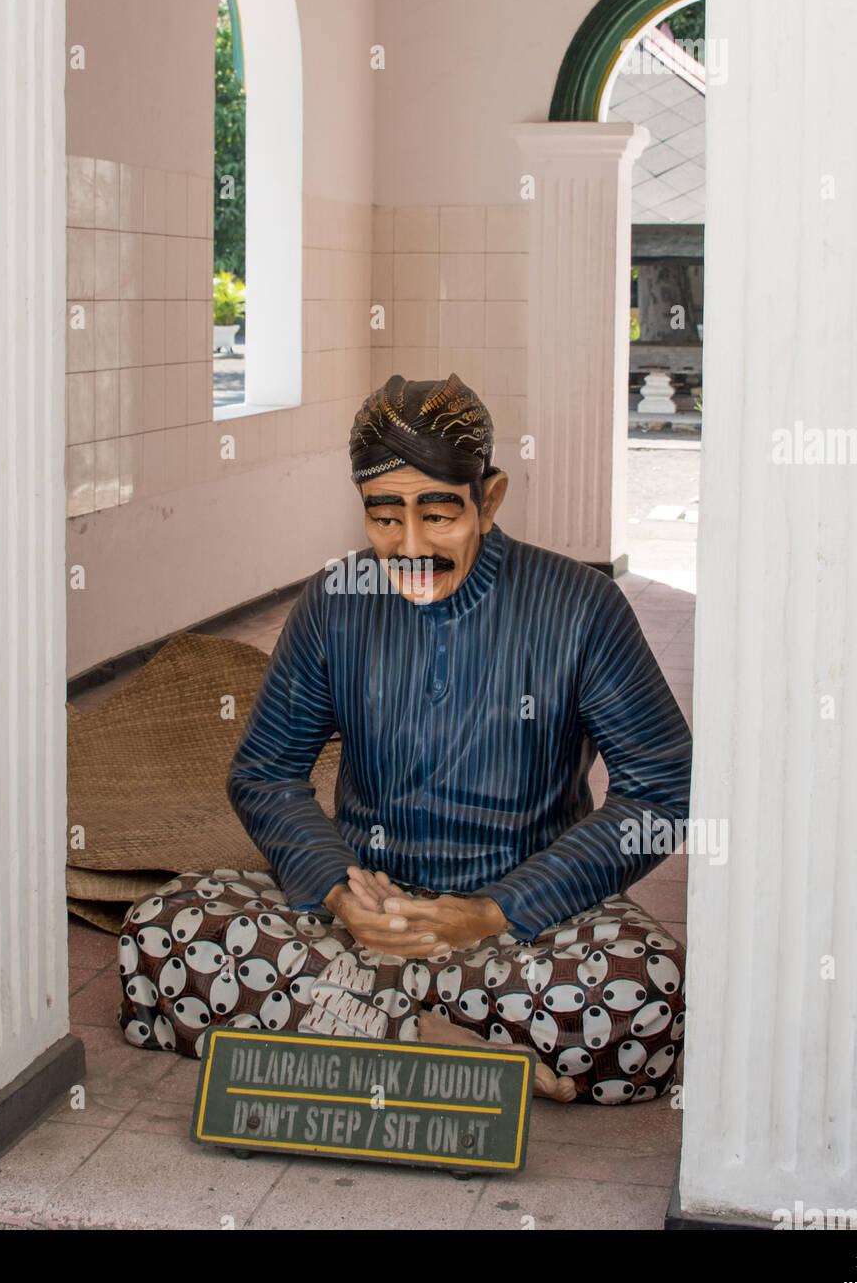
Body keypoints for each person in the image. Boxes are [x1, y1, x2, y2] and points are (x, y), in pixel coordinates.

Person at [118, 372, 693, 1103]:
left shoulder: (581, 606)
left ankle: (358, 1023)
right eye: (385, 519)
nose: (411, 546)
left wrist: (495, 910)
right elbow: (264, 774)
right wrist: (335, 893)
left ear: (489, 498)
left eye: (439, 515)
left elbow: (661, 793)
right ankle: (449, 1045)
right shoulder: (335, 602)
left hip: (524, 934)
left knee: (645, 991)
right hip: (362, 923)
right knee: (162, 929)